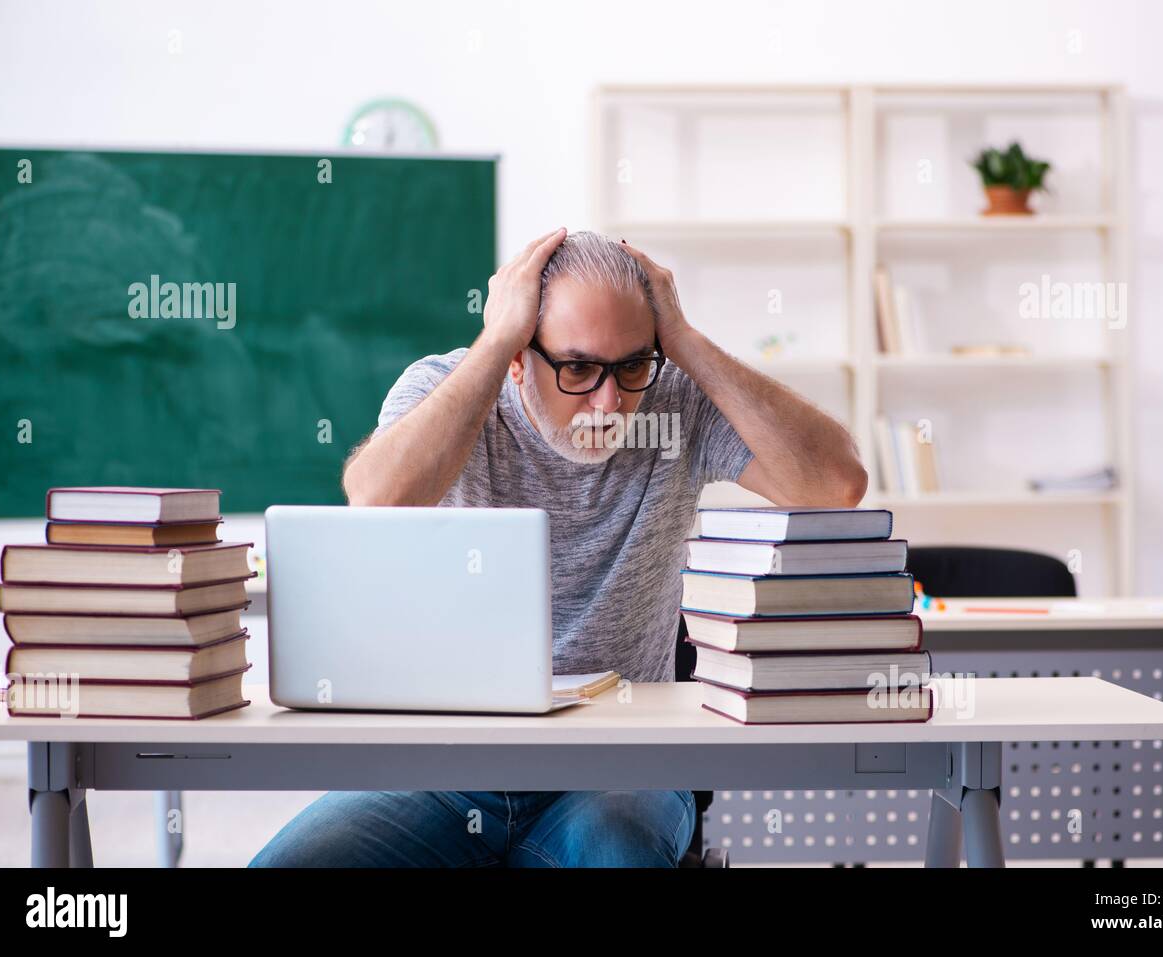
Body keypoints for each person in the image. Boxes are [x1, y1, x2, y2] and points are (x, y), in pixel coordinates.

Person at [249, 228, 866, 867]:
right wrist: (493, 345)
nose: (609, 401)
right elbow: (375, 501)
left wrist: (685, 343)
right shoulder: (447, 387)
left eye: (632, 365)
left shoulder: (675, 403)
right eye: (577, 368)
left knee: (616, 852)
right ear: (521, 355)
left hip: (621, 767)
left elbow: (835, 484)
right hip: (445, 768)